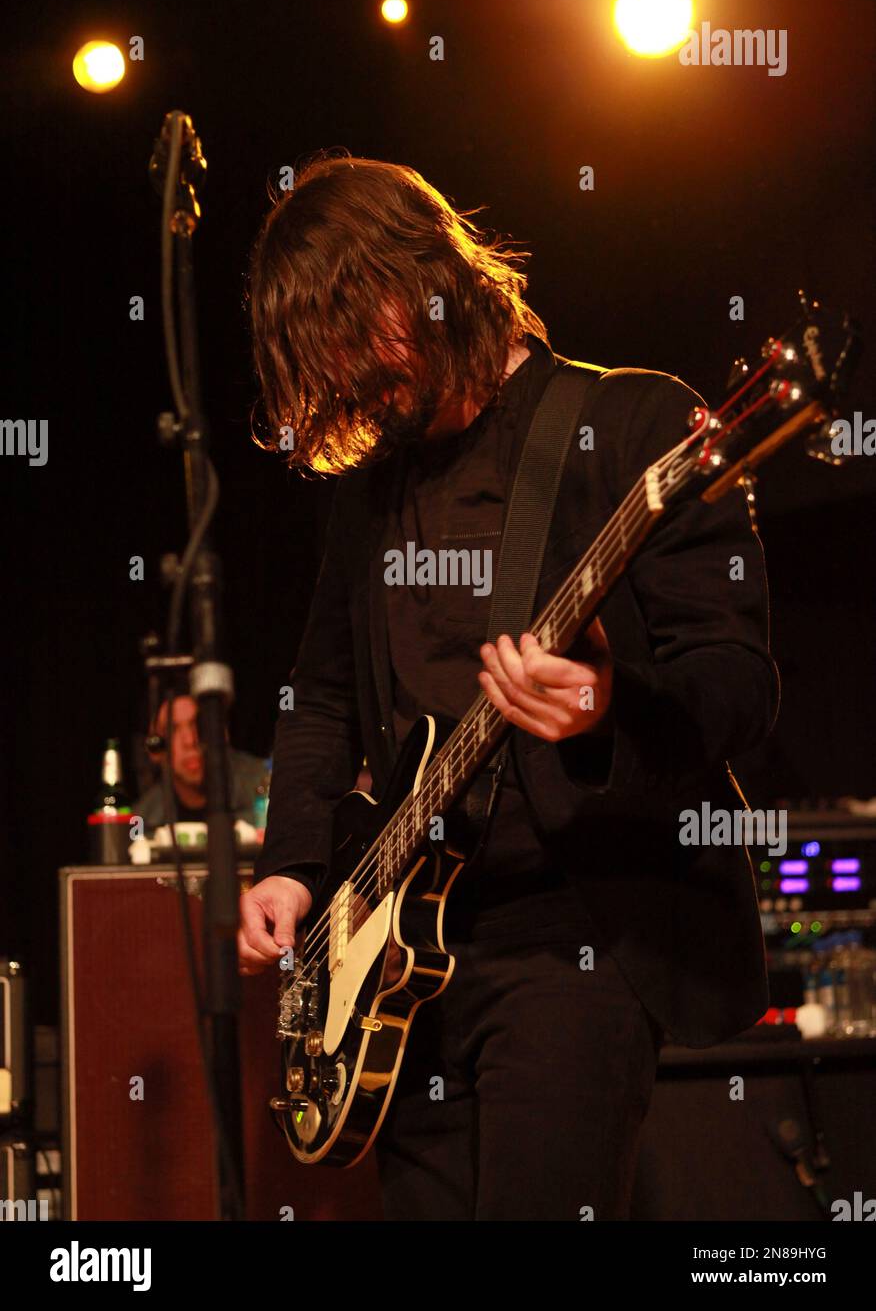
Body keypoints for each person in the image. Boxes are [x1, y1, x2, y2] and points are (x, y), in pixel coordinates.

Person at [237, 154, 779, 1220]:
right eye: (321, 354)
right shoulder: (368, 498)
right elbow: (321, 695)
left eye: (357, 328)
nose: (346, 371)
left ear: (433, 278)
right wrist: (295, 867)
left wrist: (603, 710)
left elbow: (739, 682)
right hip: (406, 967)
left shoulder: (627, 426)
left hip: (575, 938)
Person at [134, 692, 266, 835]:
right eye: (172, 730)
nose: (190, 740)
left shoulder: (269, 791)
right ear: (155, 749)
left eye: (198, 724)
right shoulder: (142, 821)